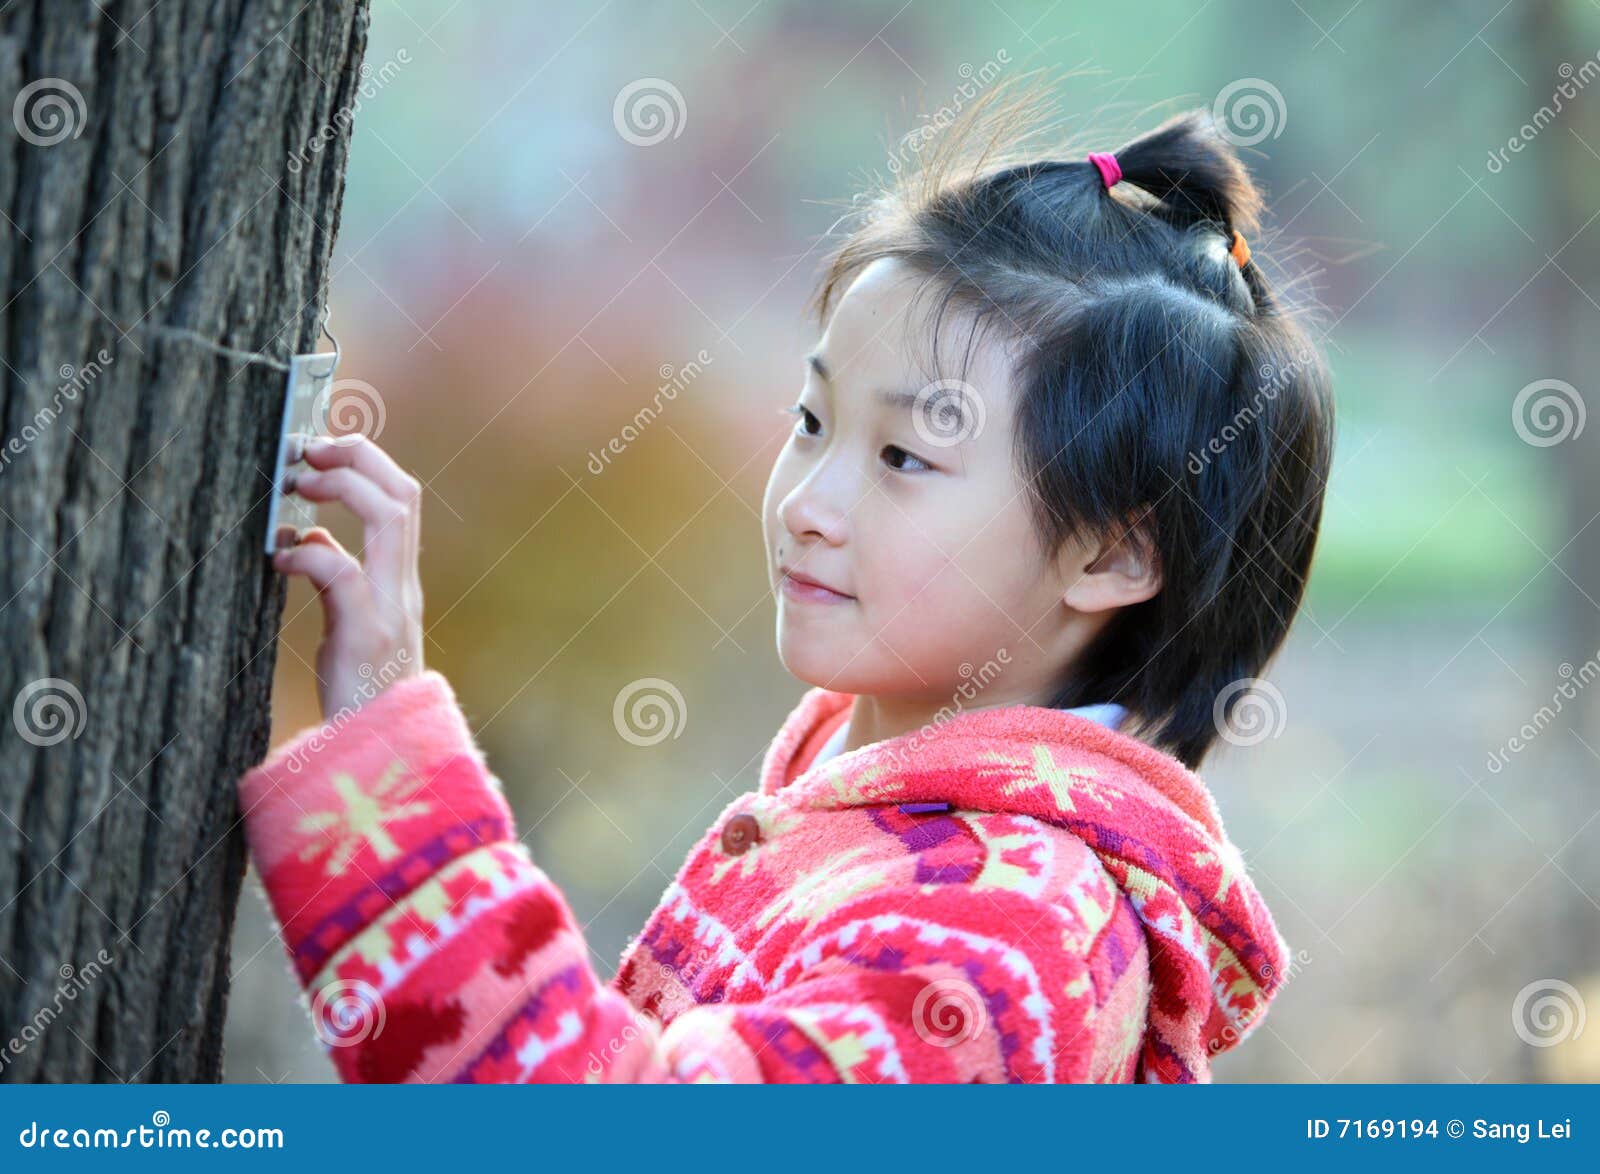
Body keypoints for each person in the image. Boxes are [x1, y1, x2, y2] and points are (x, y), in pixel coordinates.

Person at [242, 82, 1332, 1083]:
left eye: (905, 457)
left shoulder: (1003, 942)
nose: (809, 499)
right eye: (813, 422)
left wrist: (387, 760)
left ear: (1110, 552)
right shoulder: (882, 810)